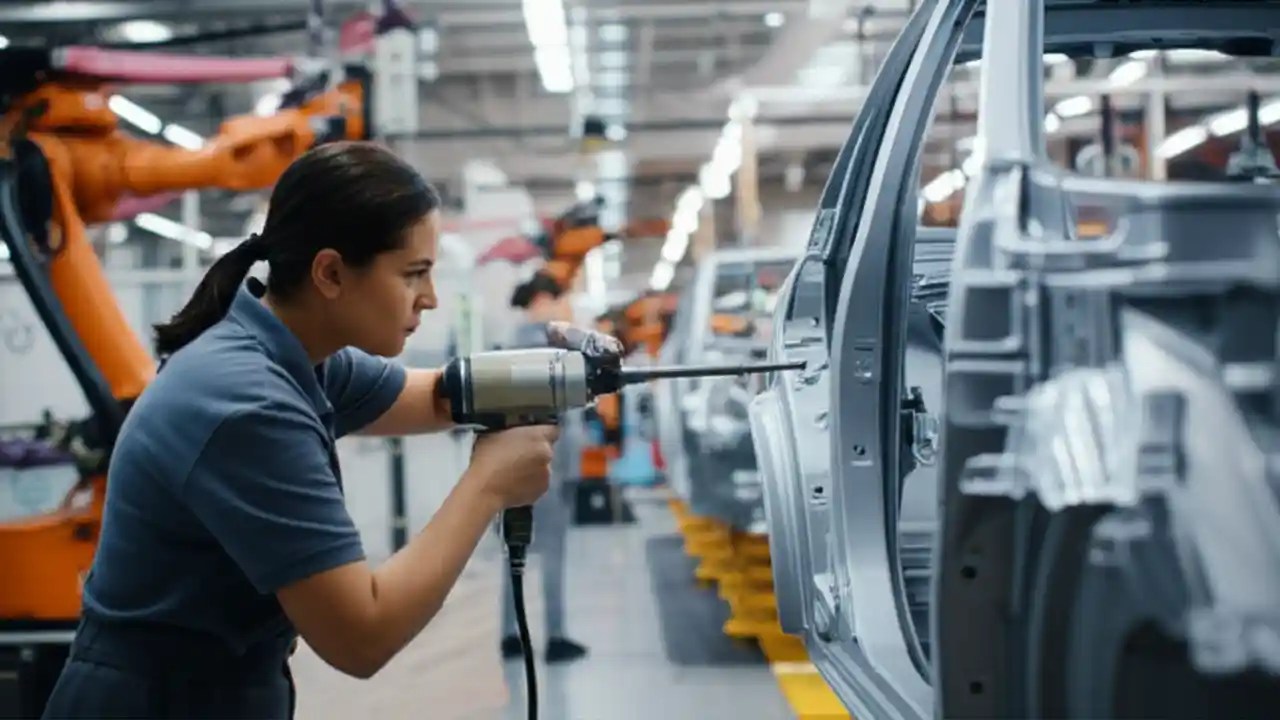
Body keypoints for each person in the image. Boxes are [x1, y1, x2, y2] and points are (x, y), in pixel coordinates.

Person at [40, 141, 617, 719]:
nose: (431, 298)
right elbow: (362, 636)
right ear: (332, 273)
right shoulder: (247, 403)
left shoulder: (302, 357)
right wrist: (488, 485)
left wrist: (559, 372)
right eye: (412, 274)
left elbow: (441, 396)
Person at [496, 272, 596, 664]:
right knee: (553, 552)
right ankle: (555, 636)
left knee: (514, 549)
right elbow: (570, 405)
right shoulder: (554, 345)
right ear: (542, 299)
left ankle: (510, 635)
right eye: (557, 298)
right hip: (549, 463)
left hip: (510, 461)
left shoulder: (507, 346)